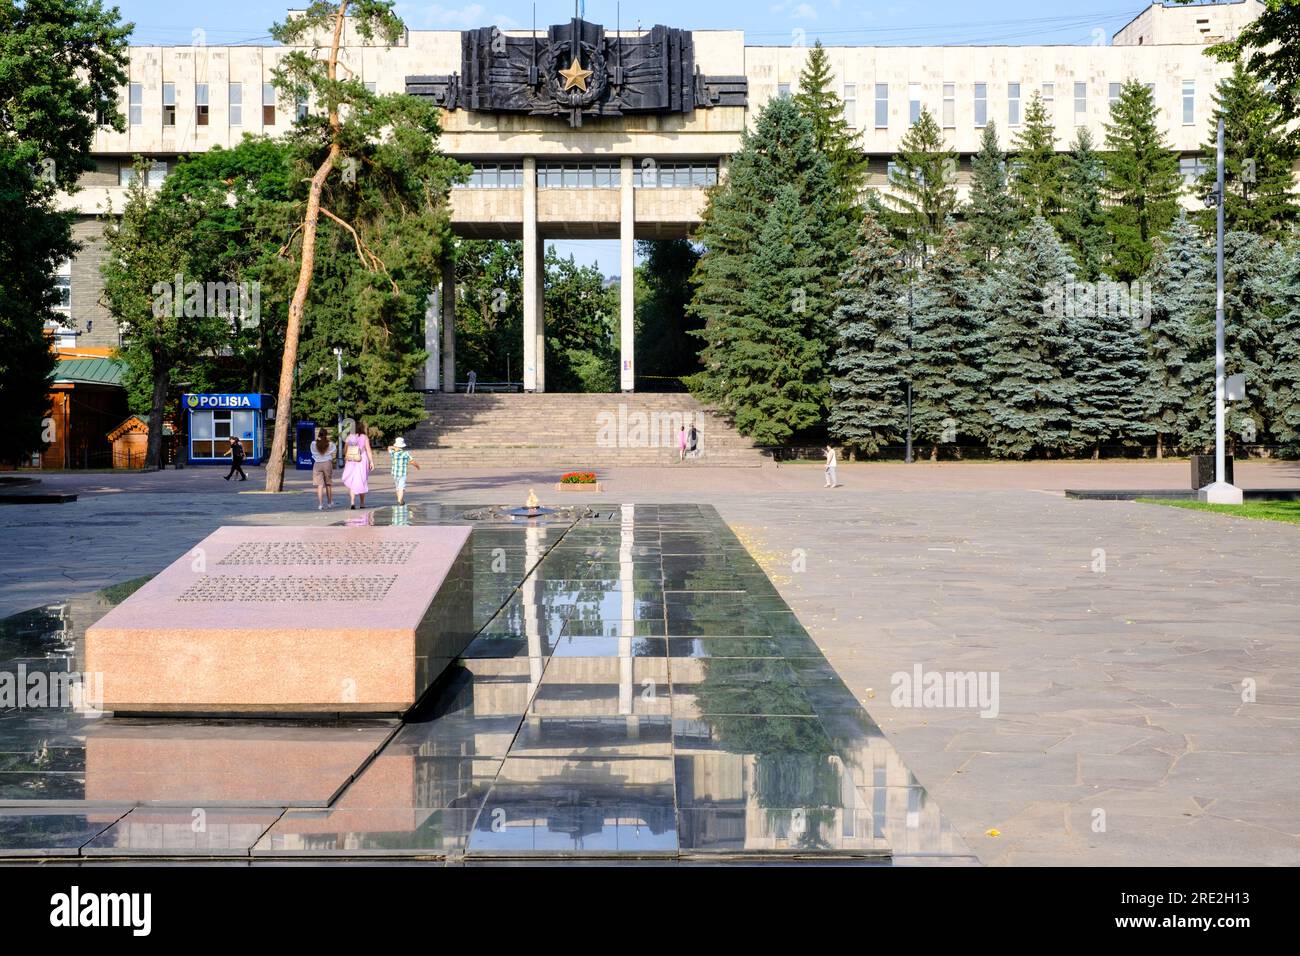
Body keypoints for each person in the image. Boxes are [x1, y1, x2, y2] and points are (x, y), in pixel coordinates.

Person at [341, 418, 374, 509]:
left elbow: (345, 450)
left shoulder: (349, 437)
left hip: (351, 460)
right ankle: (362, 503)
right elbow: (368, 450)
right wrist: (371, 462)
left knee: (352, 481)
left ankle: (352, 502)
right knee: (361, 480)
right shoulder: (364, 437)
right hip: (362, 460)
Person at [387, 436, 421, 505]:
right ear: (402, 446)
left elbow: (388, 447)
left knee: (397, 487)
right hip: (402, 473)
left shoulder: (393, 453)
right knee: (401, 487)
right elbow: (412, 461)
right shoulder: (405, 453)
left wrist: (394, 447)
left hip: (394, 473)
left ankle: (401, 500)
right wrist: (417, 466)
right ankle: (400, 500)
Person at [311, 427, 336, 510]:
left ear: (318, 434)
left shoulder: (313, 444)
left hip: (317, 464)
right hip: (327, 463)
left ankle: (320, 504)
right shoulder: (330, 444)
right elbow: (333, 450)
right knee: (328, 484)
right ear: (326, 435)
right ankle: (329, 503)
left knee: (320, 485)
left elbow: (312, 452)